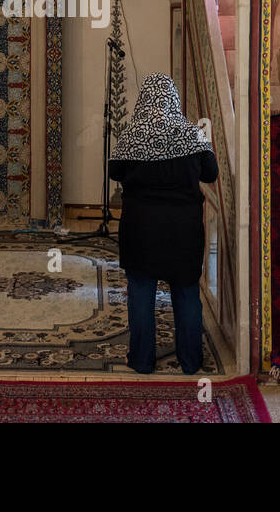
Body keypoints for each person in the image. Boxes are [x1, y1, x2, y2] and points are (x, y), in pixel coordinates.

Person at [108, 73, 218, 374]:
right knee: (186, 294)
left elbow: (115, 171)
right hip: (183, 232)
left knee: (141, 295)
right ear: (174, 99)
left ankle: (142, 361)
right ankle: (191, 362)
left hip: (141, 231)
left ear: (145, 99)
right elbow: (211, 174)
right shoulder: (192, 134)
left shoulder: (132, 134)